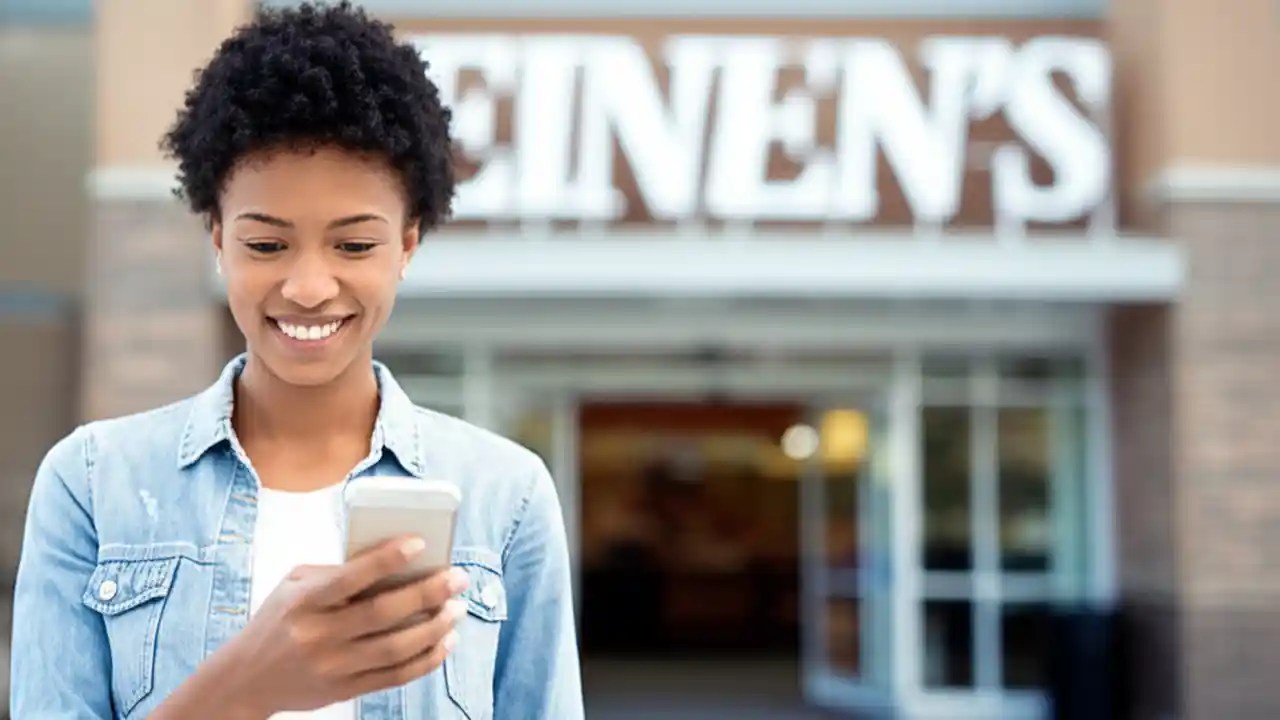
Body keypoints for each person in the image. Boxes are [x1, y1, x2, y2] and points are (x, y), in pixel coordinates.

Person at [9, 3, 583, 718]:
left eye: (354, 245)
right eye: (266, 244)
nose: (309, 287)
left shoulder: (507, 496)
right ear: (217, 238)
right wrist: (245, 686)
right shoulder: (94, 486)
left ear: (407, 244)